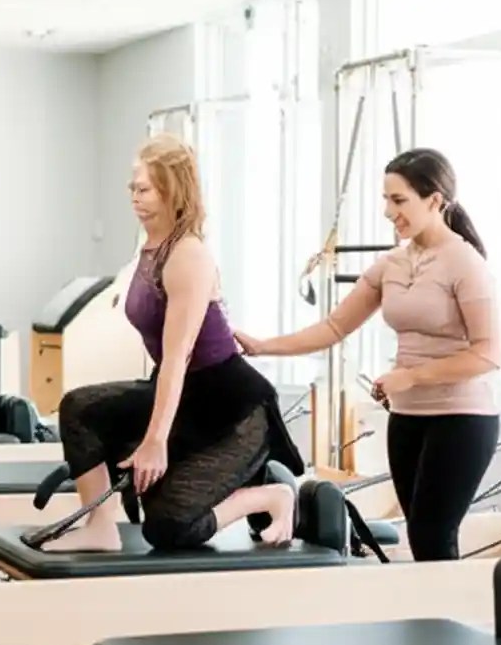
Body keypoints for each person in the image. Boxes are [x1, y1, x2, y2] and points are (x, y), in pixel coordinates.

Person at [40, 133, 304, 553]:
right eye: (133, 188)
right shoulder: (149, 248)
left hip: (233, 409)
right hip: (185, 395)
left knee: (168, 529)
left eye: (143, 189)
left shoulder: (188, 255)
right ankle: (100, 528)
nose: (134, 197)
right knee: (79, 408)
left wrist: (155, 440)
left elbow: (179, 356)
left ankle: (273, 496)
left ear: (172, 191)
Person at [235, 148, 501, 562]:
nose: (387, 211)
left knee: (434, 535)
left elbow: (488, 354)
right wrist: (263, 346)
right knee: (419, 533)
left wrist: (411, 377)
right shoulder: (391, 264)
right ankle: (423, 622)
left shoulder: (466, 263)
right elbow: (334, 327)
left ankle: (440, 623)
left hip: (462, 419)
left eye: (398, 200)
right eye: (385, 199)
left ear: (435, 200)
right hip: (407, 418)